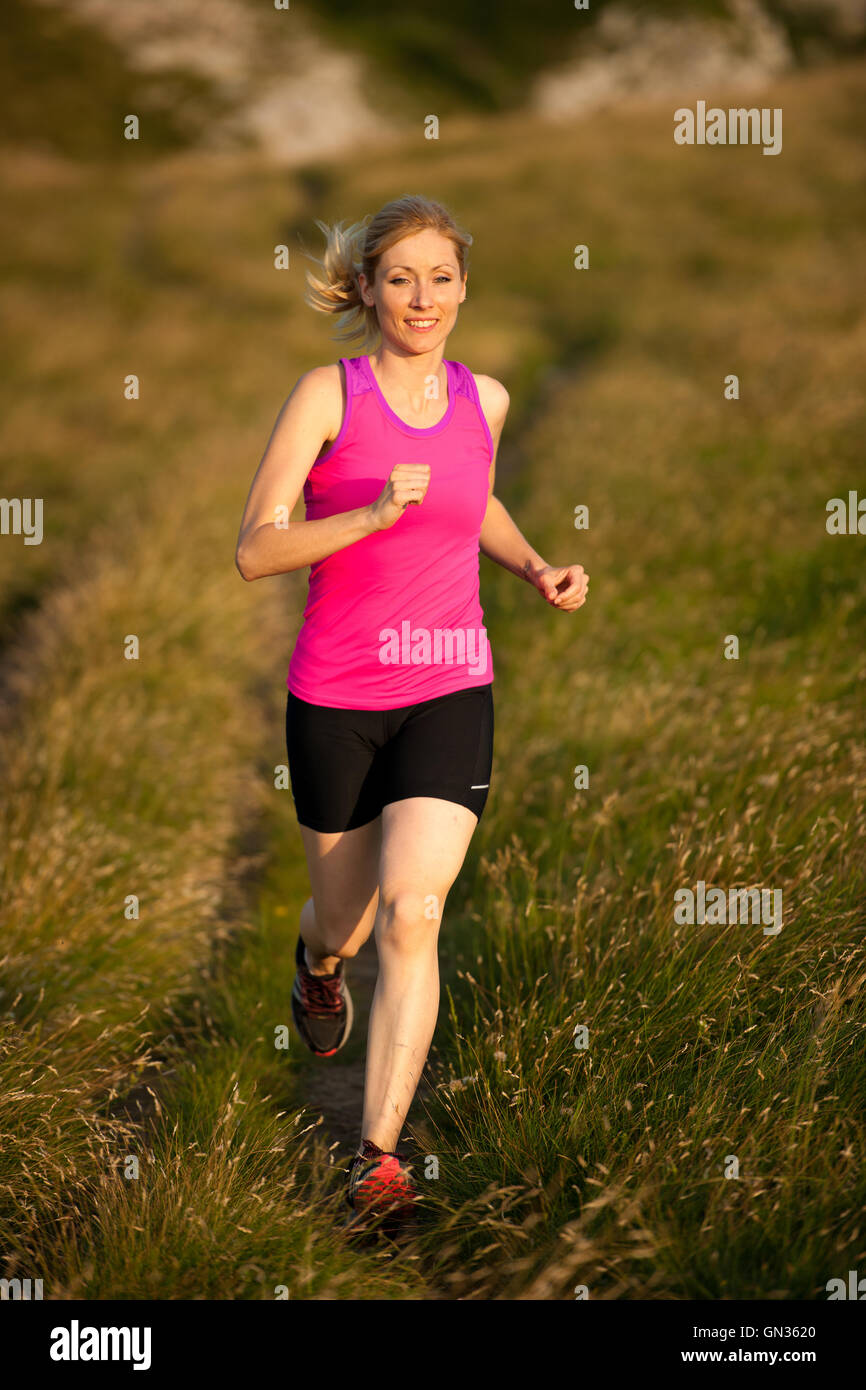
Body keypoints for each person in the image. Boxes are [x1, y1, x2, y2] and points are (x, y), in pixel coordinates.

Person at [235, 194, 589, 1226]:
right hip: (334, 695)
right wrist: (367, 514)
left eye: (439, 277)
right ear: (364, 291)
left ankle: (377, 1157)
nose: (421, 298)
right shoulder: (325, 395)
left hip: (448, 680)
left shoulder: (486, 398)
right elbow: (255, 547)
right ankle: (314, 964)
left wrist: (530, 566)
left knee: (416, 910)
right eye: (399, 278)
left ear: (463, 285)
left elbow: (469, 496)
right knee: (342, 917)